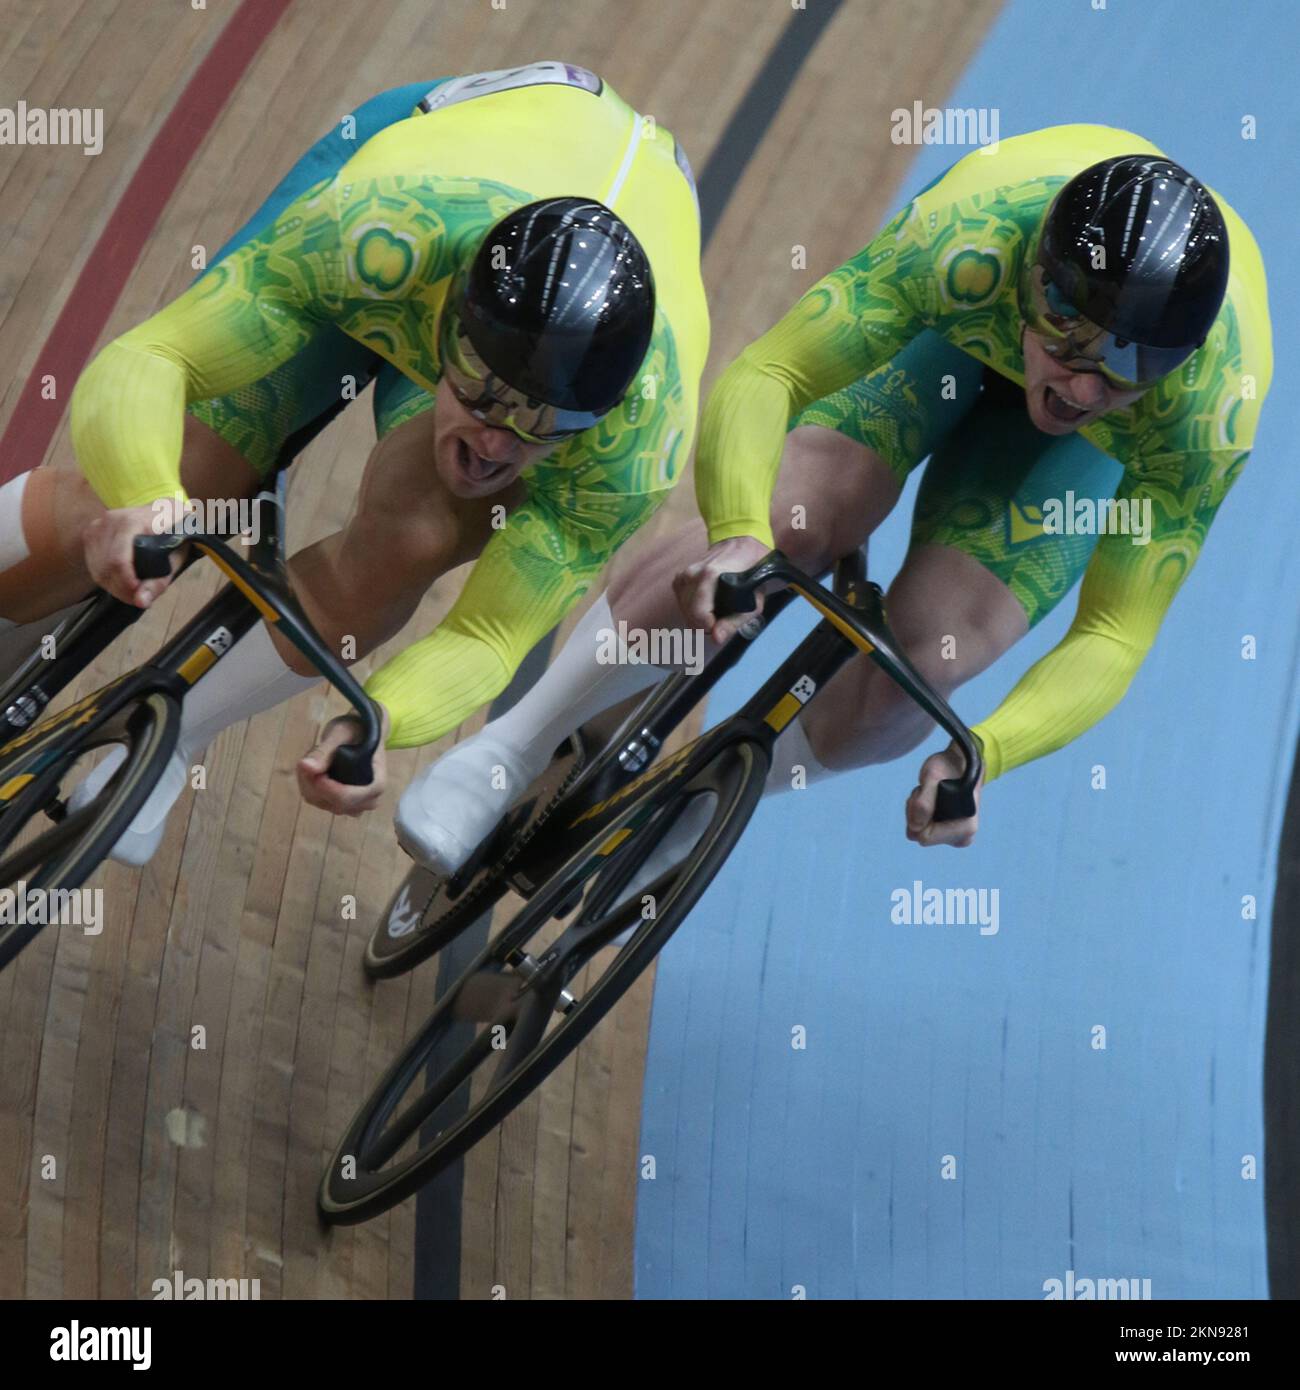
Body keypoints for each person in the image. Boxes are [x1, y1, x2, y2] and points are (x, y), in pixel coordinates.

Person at [397, 124, 1271, 873]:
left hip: (1084, 459)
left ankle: (694, 822)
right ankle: (511, 747)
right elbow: (771, 372)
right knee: (795, 516)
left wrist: (983, 754)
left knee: (927, 662)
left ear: (1177, 367)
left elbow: (1115, 635)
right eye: (1071, 339)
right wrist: (739, 537)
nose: (1084, 387)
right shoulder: (967, 244)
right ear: (1035, 280)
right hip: (953, 333)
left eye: (1128, 370)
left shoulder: (1208, 413)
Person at [0, 63, 707, 864]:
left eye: (541, 427)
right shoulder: (378, 231)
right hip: (399, 239)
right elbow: (156, 358)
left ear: (596, 417)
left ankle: (171, 742)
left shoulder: (634, 445)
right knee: (191, 473)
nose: (499, 441)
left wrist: (378, 722)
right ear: (454, 330)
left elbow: (489, 635)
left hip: (480, 305)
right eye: (484, 396)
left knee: (416, 536)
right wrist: (140, 496)